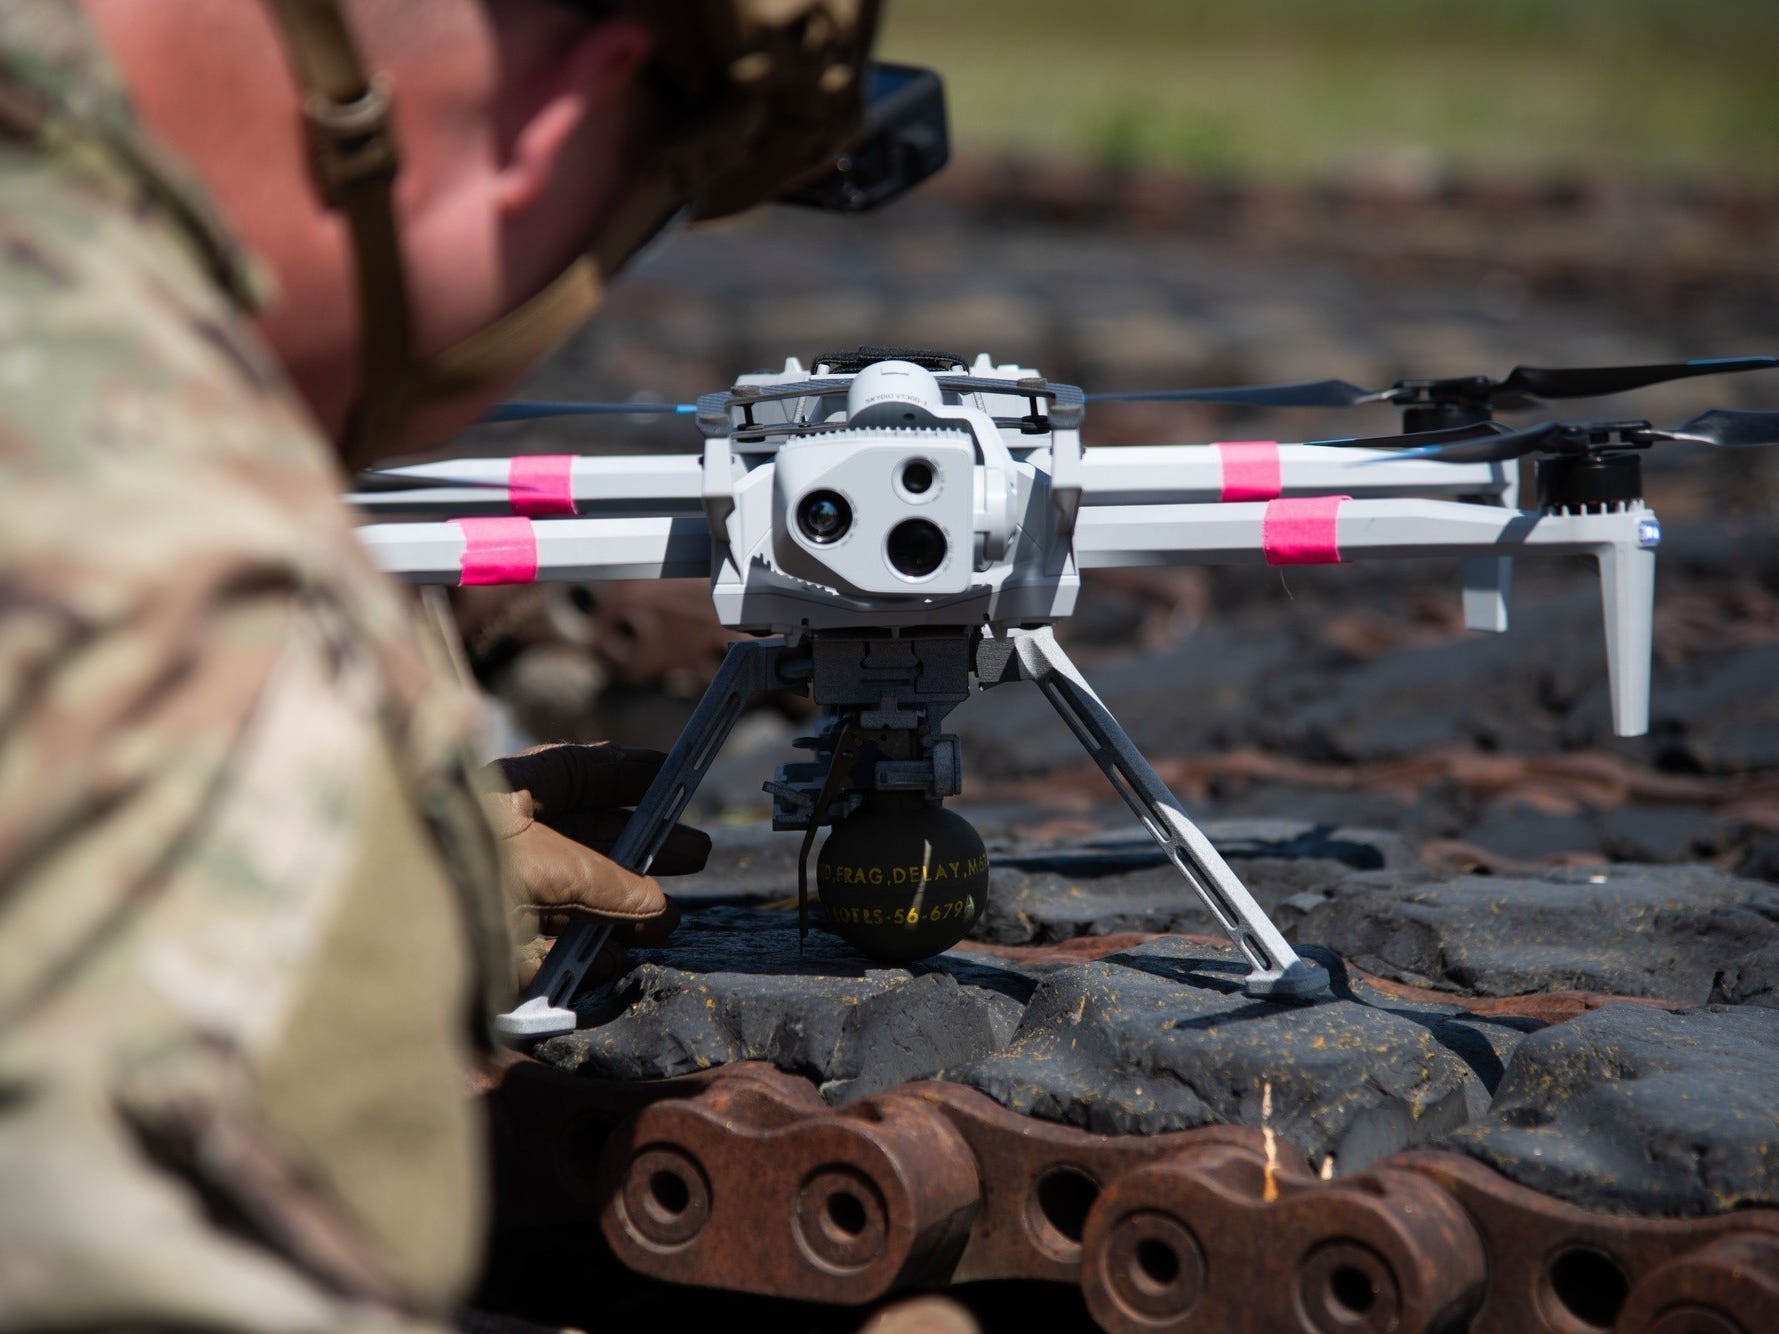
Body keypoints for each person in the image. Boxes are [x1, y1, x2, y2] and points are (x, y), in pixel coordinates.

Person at [0, 1, 880, 1327]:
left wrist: (409, 851)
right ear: (561, 115)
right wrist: (303, 849)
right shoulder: (181, 593)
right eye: (624, 225)